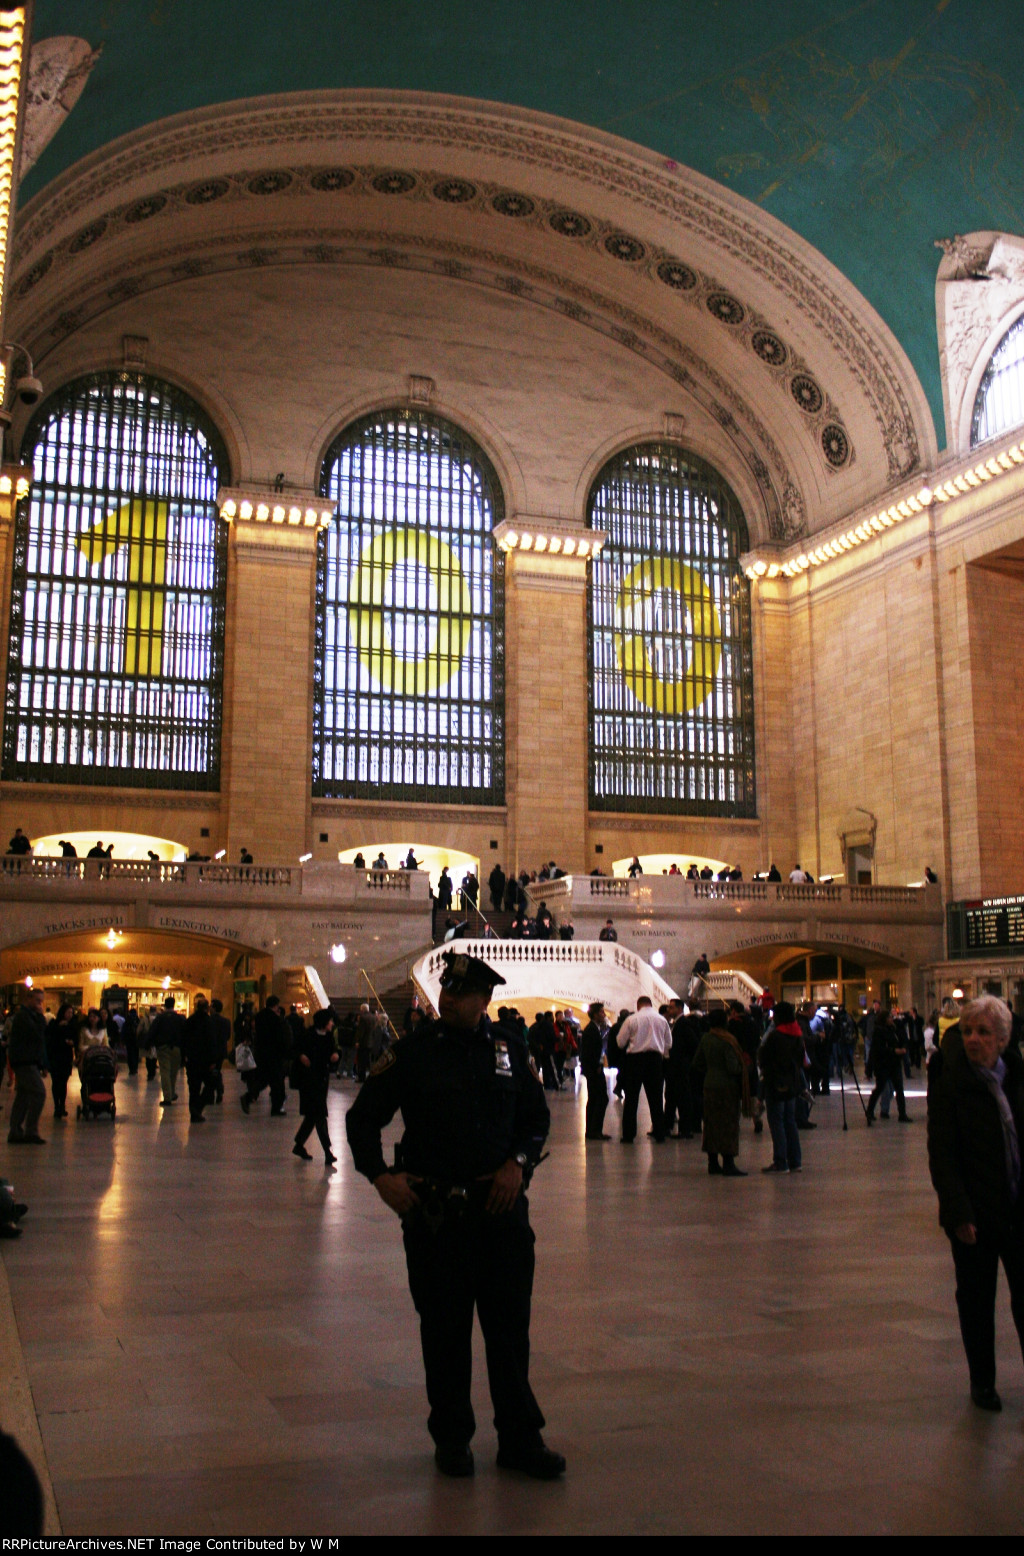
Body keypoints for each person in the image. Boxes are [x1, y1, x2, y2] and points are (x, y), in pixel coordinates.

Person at [345, 949, 564, 1481]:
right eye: (447, 990)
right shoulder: (414, 1052)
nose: (449, 999)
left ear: (485, 1000)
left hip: (501, 1214)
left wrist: (518, 1161)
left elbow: (535, 1120)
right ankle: (452, 1439)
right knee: (444, 1334)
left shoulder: (510, 1047)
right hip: (438, 1219)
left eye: (461, 994)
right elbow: (362, 1119)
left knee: (510, 1333)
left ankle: (519, 1437)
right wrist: (380, 1177)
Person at [927, 996, 1024, 1412]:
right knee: (977, 1302)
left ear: (1002, 1039)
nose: (973, 1039)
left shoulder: (1017, 1077)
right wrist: (958, 1212)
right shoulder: (951, 1080)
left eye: (983, 1032)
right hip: (975, 1215)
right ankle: (982, 1382)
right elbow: (942, 1154)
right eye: (967, 1031)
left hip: (1018, 1211)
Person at [692, 1019, 749, 1176]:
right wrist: (742, 1067)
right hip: (727, 1087)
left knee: (711, 1124)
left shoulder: (705, 1038)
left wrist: (711, 1070)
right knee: (728, 1124)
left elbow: (697, 1062)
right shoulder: (728, 1040)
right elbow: (732, 1067)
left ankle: (713, 1163)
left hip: (709, 1085)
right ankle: (728, 1163)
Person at [758, 1001, 805, 1174]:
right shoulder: (797, 1034)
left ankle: (780, 1161)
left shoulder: (775, 1036)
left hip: (775, 1084)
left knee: (777, 1122)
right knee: (790, 1122)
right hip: (791, 1083)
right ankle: (795, 1161)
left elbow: (764, 1059)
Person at [617, 996, 672, 1143]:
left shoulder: (632, 1019)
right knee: (656, 1099)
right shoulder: (662, 1020)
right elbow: (668, 1043)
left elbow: (620, 1042)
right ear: (650, 1004)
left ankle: (628, 1135)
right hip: (655, 1061)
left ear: (638, 1005)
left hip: (635, 1061)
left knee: (631, 1099)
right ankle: (659, 1133)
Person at [292, 1007, 340, 1163]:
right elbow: (296, 1049)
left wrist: (335, 1056)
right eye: (330, 1021)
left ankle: (299, 1144)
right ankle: (327, 1151)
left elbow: (333, 1051)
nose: (332, 1024)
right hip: (308, 1079)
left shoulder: (328, 1037)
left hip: (321, 1079)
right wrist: (301, 1056)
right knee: (319, 1114)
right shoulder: (308, 1035)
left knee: (312, 1115)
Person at [6, 988, 48, 1145]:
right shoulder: (24, 1017)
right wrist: (41, 1017)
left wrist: (42, 1063)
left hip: (27, 1060)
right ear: (29, 999)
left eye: (41, 1001)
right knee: (39, 1093)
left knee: (22, 1097)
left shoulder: (28, 1016)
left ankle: (15, 1131)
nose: (40, 1004)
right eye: (37, 1001)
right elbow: (37, 1034)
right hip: (24, 1062)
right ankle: (31, 1131)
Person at [149, 995, 185, 1108]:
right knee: (173, 1072)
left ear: (165, 1005)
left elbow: (152, 1031)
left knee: (164, 1071)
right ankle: (172, 1092)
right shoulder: (180, 1018)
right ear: (174, 1005)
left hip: (163, 1047)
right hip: (176, 1047)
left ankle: (167, 1097)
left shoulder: (160, 1018)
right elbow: (185, 1033)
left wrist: (148, 1044)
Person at [45, 1002, 77, 1120]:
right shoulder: (54, 1023)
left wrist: (72, 1042)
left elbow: (76, 1038)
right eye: (68, 1012)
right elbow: (49, 1037)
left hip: (66, 1056)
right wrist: (59, 1028)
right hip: (55, 1056)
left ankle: (62, 1106)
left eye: (71, 1013)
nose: (70, 1015)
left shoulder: (73, 1025)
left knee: (63, 1082)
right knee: (56, 1081)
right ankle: (56, 1106)